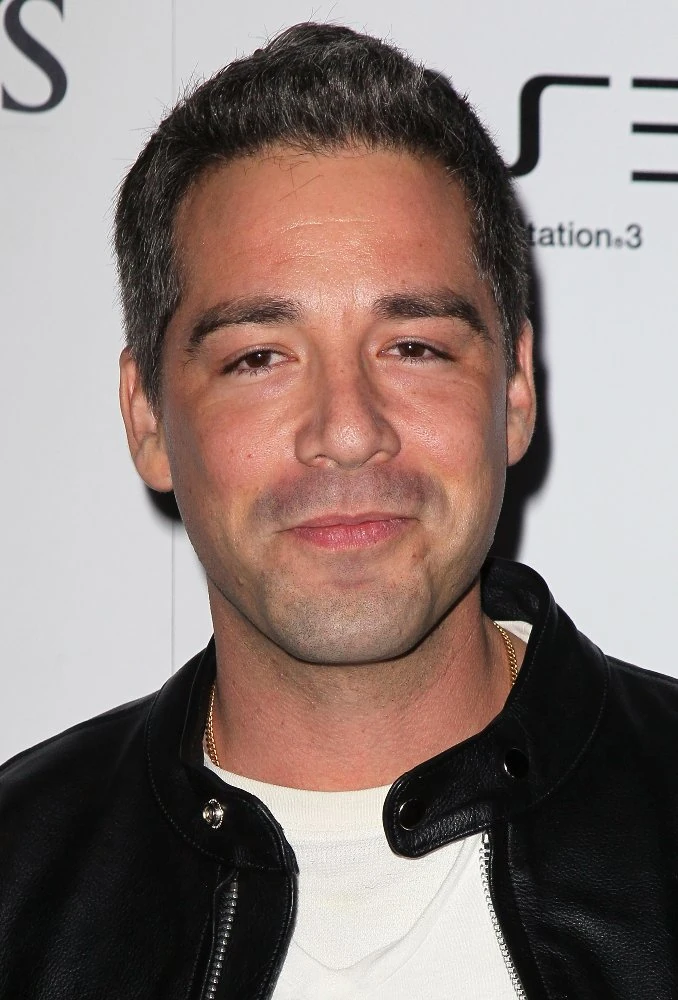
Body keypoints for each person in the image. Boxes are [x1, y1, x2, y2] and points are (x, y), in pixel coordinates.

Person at [1, 22, 677, 1000]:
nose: (350, 432)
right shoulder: (19, 884)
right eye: (258, 359)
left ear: (516, 390)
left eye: (415, 347)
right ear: (147, 418)